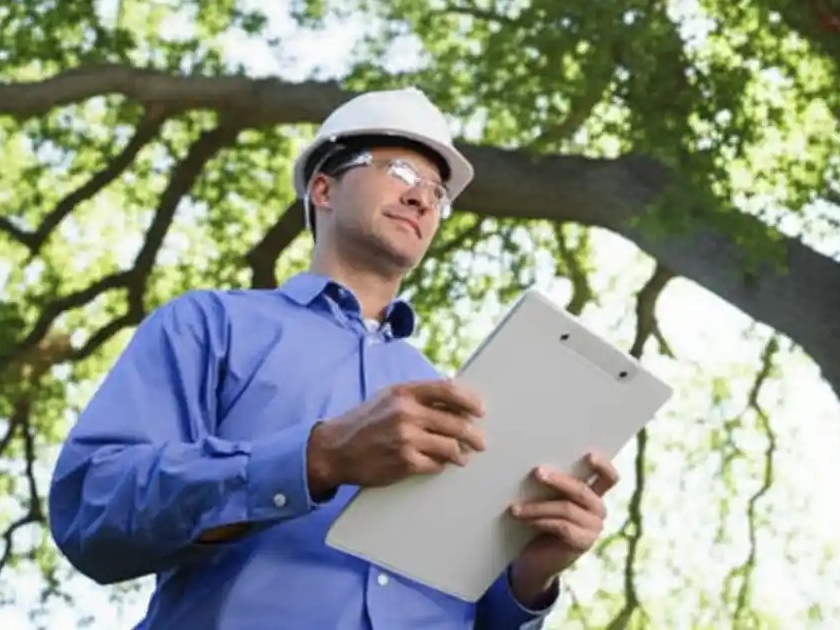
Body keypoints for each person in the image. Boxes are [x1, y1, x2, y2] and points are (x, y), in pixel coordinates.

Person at [47, 87, 620, 629]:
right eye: (399, 172)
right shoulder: (211, 325)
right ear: (323, 189)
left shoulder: (454, 399)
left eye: (437, 193)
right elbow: (93, 510)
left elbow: (472, 608)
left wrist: (530, 576)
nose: (423, 196)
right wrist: (315, 459)